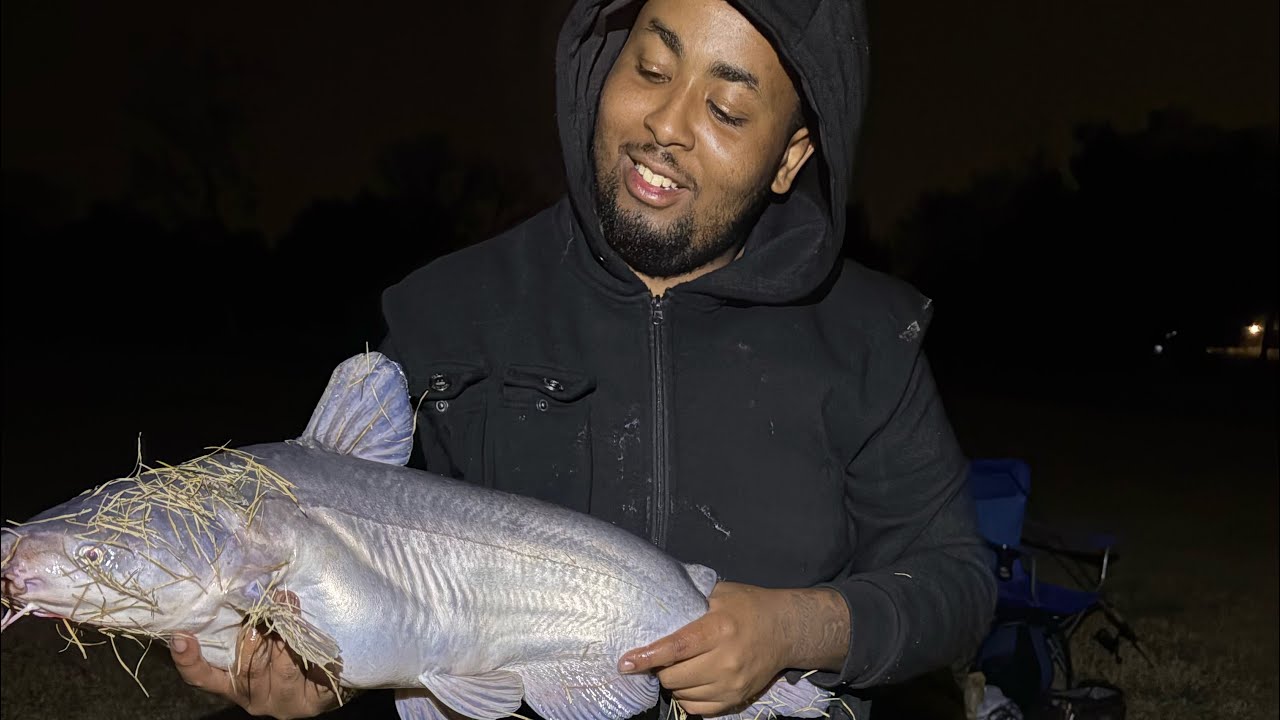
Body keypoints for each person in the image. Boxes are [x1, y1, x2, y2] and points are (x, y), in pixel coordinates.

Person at [171, 0, 996, 718]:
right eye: (650, 68)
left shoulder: (868, 336)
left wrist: (795, 628)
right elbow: (361, 576)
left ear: (791, 156)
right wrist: (326, 665)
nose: (667, 125)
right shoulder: (445, 313)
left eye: (728, 110)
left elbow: (957, 582)